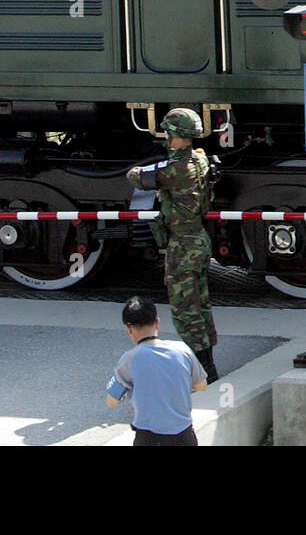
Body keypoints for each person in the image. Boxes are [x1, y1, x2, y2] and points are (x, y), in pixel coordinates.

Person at [127, 108, 219, 380]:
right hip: (199, 240)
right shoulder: (200, 160)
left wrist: (140, 169)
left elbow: (136, 177)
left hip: (182, 246)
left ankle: (203, 371)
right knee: (201, 305)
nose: (167, 137)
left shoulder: (175, 169)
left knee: (184, 310)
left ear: (176, 134)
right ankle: (208, 365)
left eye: (169, 132)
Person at [106, 296, 209, 446]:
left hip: (148, 438)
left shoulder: (128, 359)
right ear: (157, 322)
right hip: (184, 436)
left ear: (129, 328)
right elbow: (202, 386)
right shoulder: (182, 350)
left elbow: (112, 402)